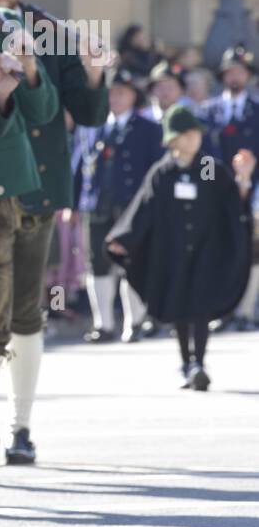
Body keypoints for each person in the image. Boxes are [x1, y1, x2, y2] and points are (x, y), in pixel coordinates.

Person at [0, 0, 108, 469]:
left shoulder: (48, 32)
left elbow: (89, 112)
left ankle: (20, 425)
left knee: (27, 309)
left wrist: (96, 67)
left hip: (33, 185)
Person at [107, 106, 255, 390]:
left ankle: (199, 362)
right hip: (171, 249)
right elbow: (143, 209)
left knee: (200, 305)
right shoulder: (162, 172)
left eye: (195, 134)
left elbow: (229, 199)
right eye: (186, 135)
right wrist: (123, 238)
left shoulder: (208, 167)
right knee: (178, 305)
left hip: (205, 248)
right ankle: (185, 362)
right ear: (172, 139)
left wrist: (243, 178)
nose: (192, 140)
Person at [73, 70, 161, 344]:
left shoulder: (149, 129)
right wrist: (73, 203)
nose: (116, 97)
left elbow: (155, 171)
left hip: (132, 208)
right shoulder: (92, 126)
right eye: (111, 92)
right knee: (97, 265)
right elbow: (78, 167)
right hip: (97, 205)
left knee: (131, 263)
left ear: (134, 96)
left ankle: (134, 322)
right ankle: (104, 324)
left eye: (122, 92)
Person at [200, 45, 259, 331]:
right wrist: (212, 184)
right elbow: (203, 154)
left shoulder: (256, 110)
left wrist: (250, 177)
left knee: (251, 251)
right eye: (230, 72)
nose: (235, 76)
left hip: (254, 191)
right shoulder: (208, 111)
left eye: (240, 71)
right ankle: (222, 309)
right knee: (220, 249)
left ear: (247, 75)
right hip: (218, 193)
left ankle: (246, 312)